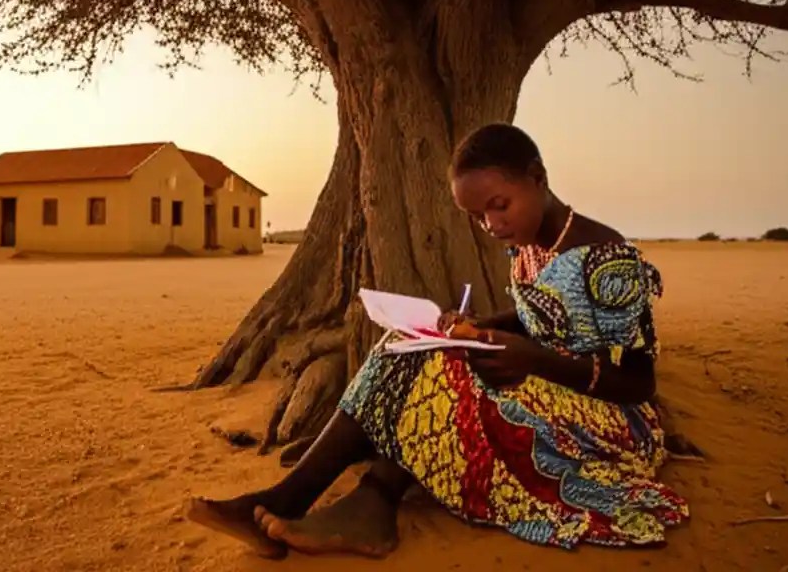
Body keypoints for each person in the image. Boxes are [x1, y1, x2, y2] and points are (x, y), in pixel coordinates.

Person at [185, 123, 690, 559]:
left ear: (538, 177)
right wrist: (475, 326)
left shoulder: (608, 259)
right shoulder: (531, 245)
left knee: (443, 372)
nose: (492, 225)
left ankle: (369, 500)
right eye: (478, 217)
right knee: (407, 344)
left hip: (608, 424)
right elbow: (539, 315)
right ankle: (296, 499)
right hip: (546, 384)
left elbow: (638, 384)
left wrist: (533, 361)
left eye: (499, 205)